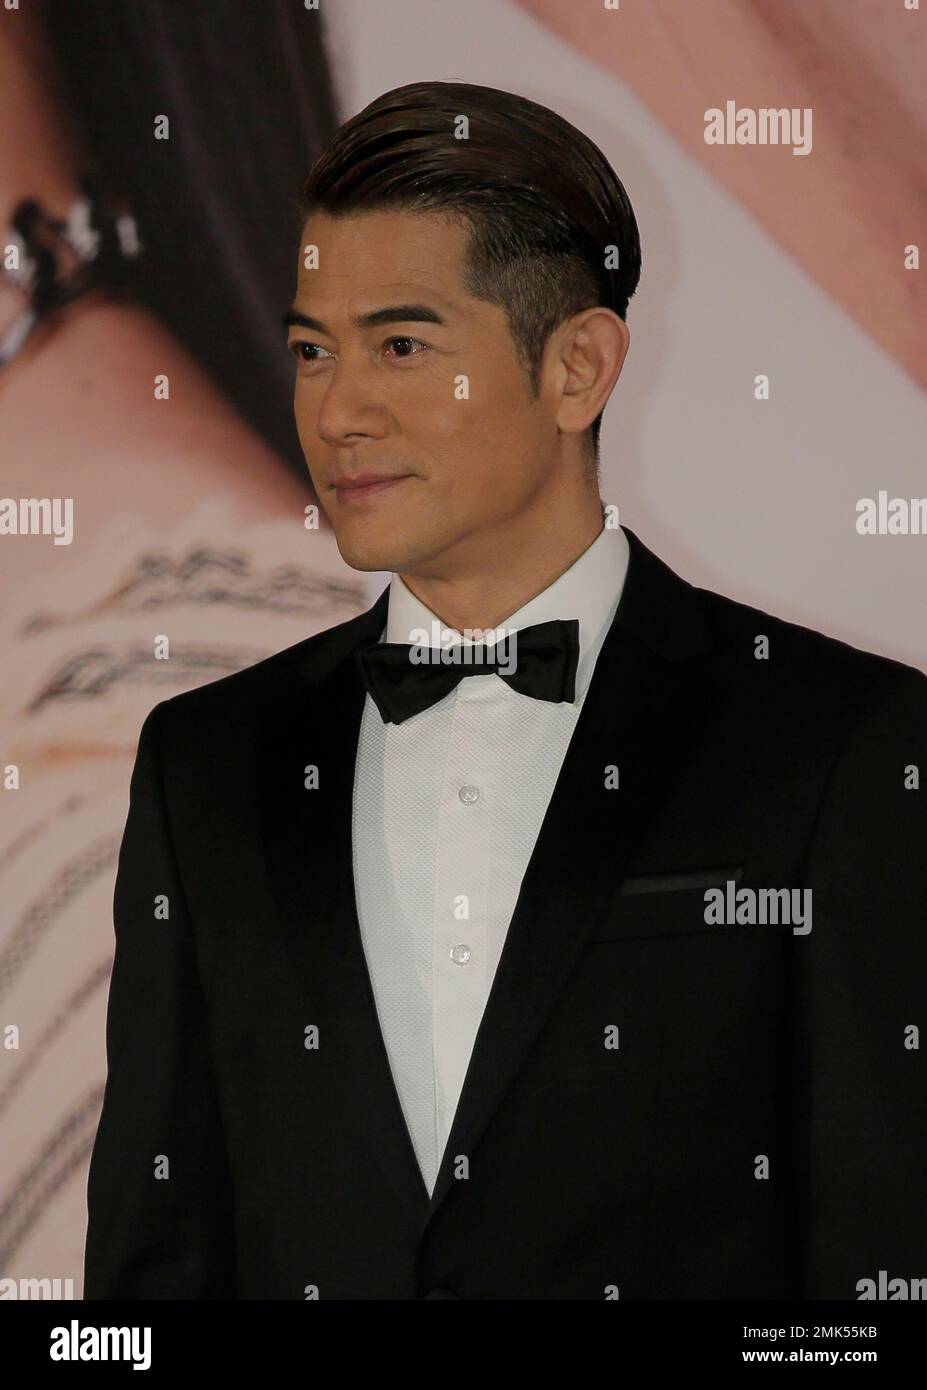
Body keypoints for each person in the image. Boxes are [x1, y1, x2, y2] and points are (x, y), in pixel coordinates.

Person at [83, 80, 927, 1301]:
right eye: (313, 351)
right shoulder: (205, 763)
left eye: (402, 346)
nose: (337, 409)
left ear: (578, 366)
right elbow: (148, 1282)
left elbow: (885, 1275)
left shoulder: (839, 742)